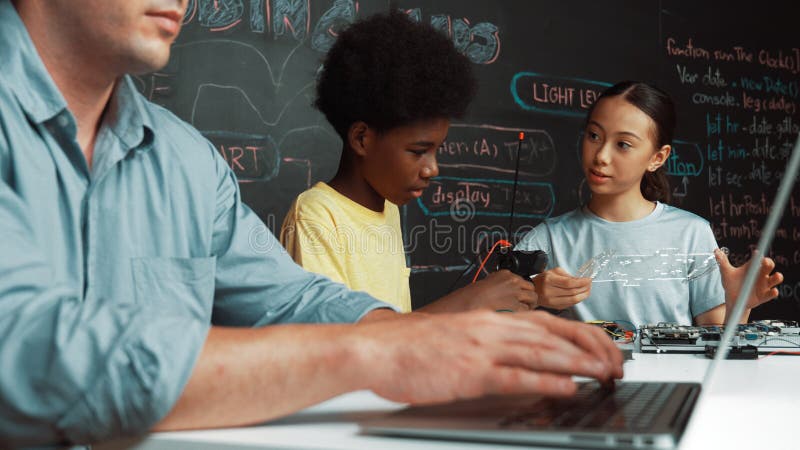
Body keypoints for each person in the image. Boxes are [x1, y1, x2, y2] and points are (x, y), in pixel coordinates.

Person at [0, 1, 622, 447]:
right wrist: (380, 349)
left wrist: (416, 340)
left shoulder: (188, 161)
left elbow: (288, 297)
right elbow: (26, 349)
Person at [280, 11, 536, 313]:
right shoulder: (315, 217)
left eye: (437, 150)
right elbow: (336, 346)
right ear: (362, 139)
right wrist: (468, 302)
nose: (433, 169)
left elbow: (391, 333)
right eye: (418, 151)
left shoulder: (387, 207)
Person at [515, 80, 783, 327]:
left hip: (676, 379)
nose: (601, 156)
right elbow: (488, 325)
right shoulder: (548, 239)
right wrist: (533, 295)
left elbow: (715, 345)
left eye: (623, 144)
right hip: (587, 379)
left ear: (658, 157)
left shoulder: (690, 233)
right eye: (594, 136)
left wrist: (739, 307)